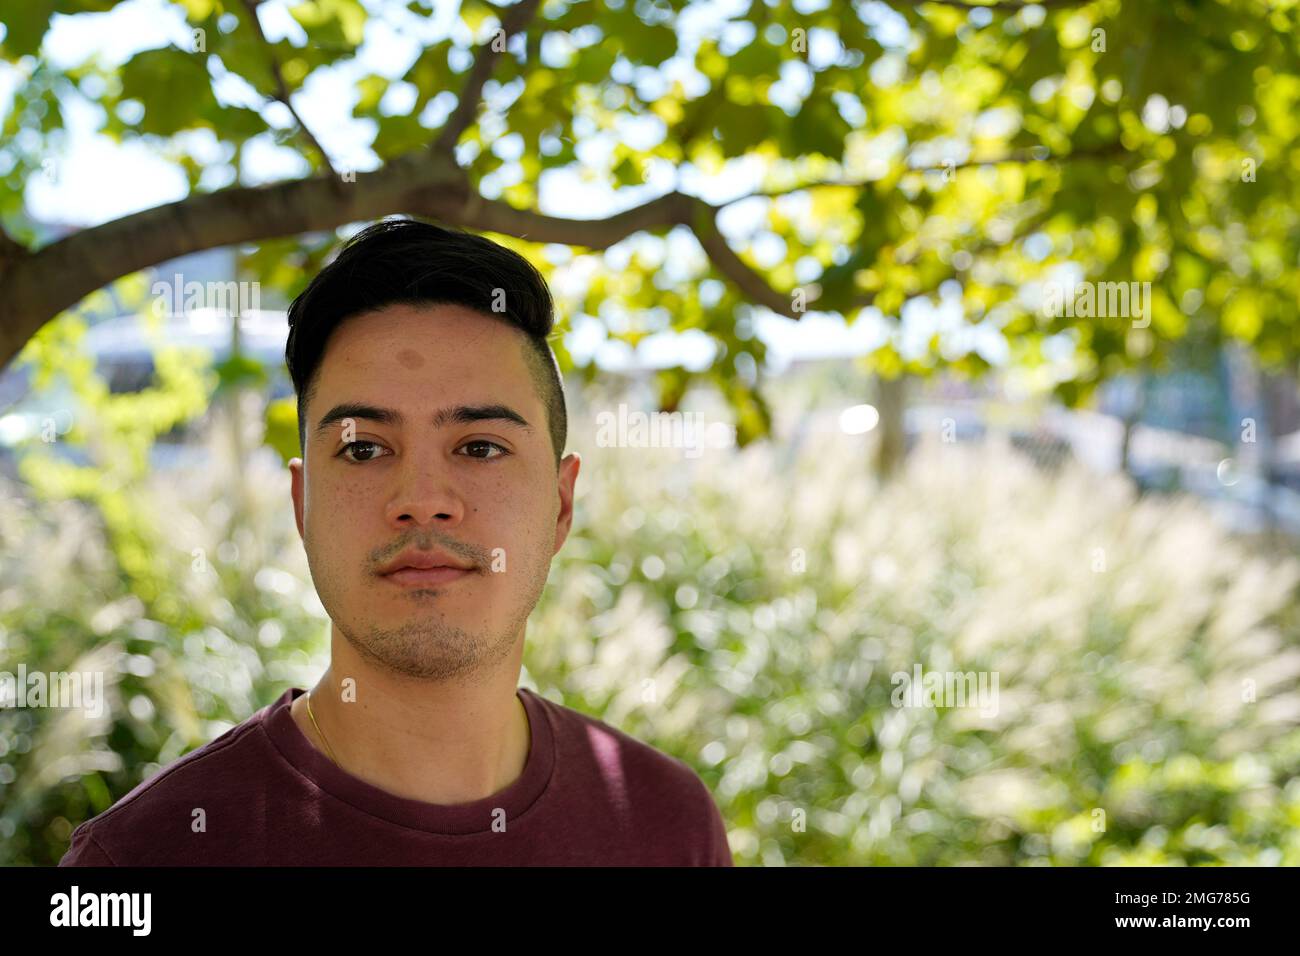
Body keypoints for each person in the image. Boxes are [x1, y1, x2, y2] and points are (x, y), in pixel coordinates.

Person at [60, 217, 733, 866]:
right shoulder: (145, 856)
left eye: (479, 446)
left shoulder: (666, 824)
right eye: (363, 450)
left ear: (560, 504)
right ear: (303, 505)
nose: (421, 502)